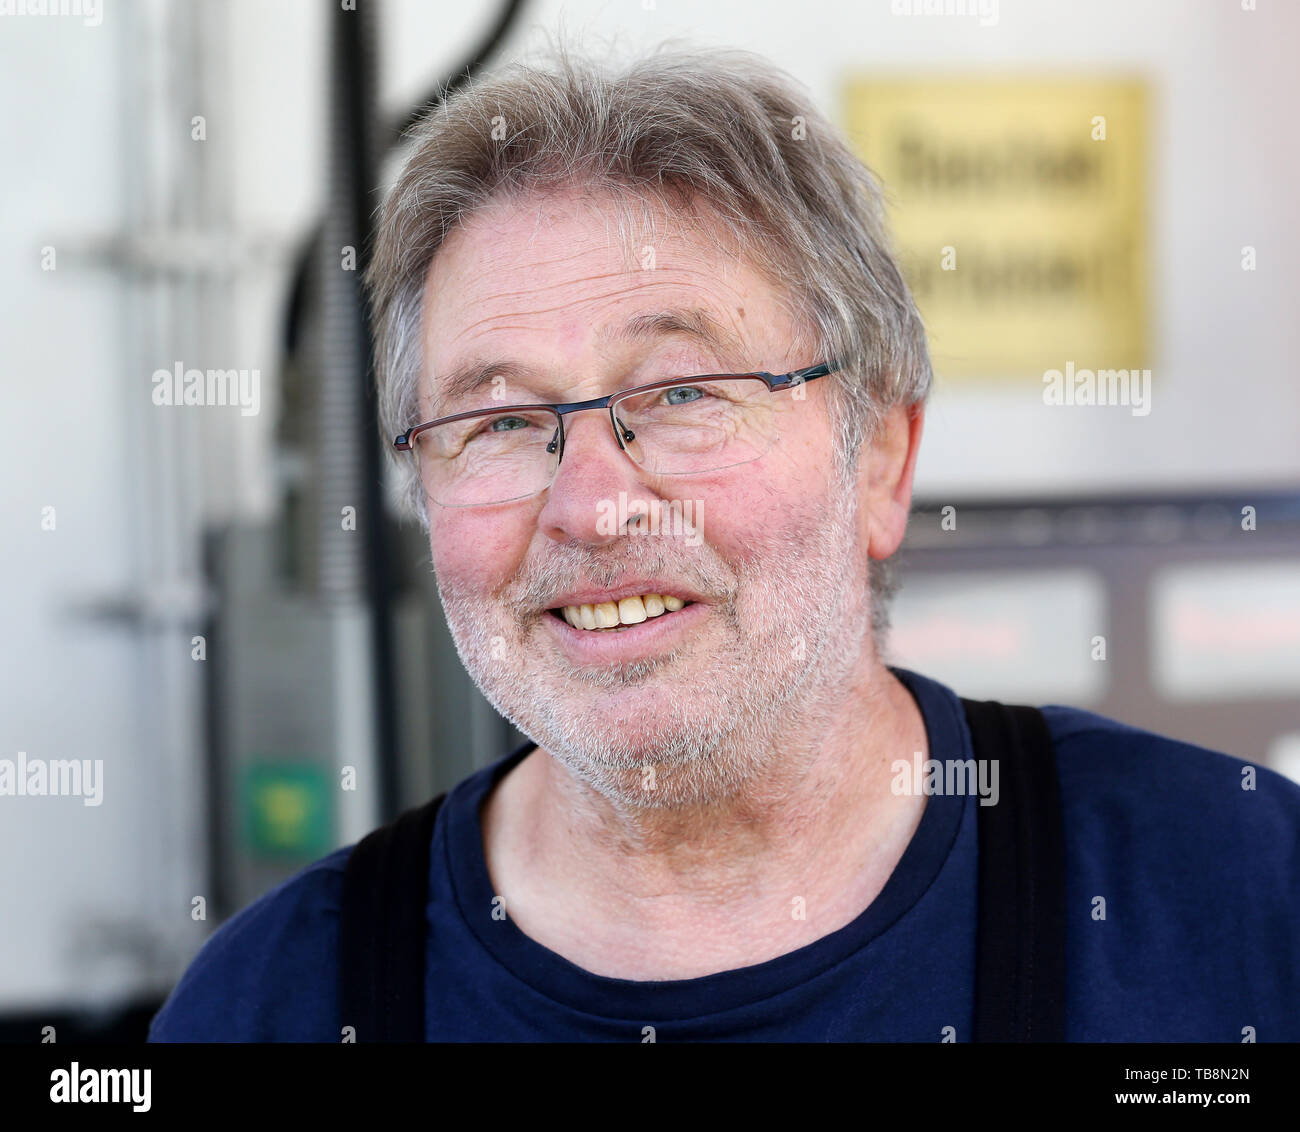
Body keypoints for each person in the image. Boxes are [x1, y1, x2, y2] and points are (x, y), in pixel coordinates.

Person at [149, 44, 1300, 1042]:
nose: (593, 505)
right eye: (497, 420)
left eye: (683, 393)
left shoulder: (1236, 899)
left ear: (882, 461)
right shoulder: (272, 1006)